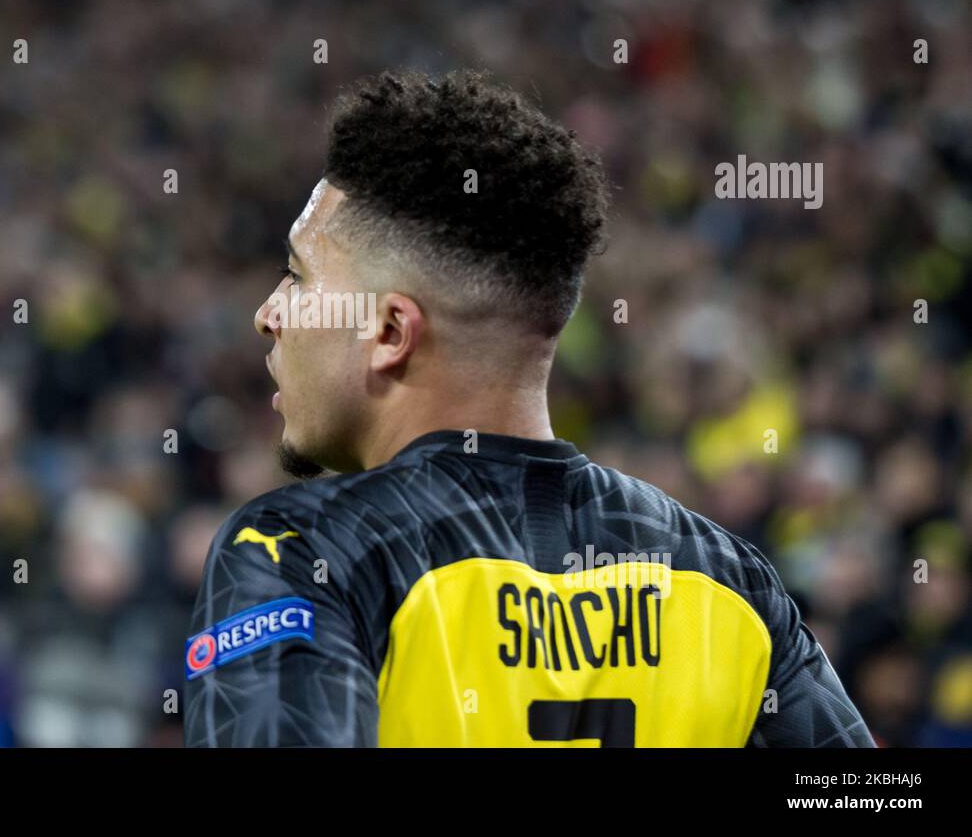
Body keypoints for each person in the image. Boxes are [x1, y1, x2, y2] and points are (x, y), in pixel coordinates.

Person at [182, 68, 874, 747]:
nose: (268, 313)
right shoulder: (727, 577)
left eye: (298, 277)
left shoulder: (296, 548)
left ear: (389, 332)